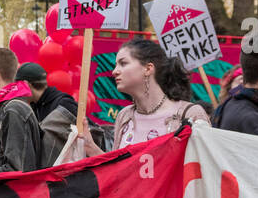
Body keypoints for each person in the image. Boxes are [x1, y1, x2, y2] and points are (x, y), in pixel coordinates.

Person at [78, 39, 211, 157]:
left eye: (123, 63)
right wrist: (90, 146)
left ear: (148, 69)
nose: (114, 71)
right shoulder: (124, 116)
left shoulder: (190, 114)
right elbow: (117, 172)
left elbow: (205, 171)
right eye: (115, 65)